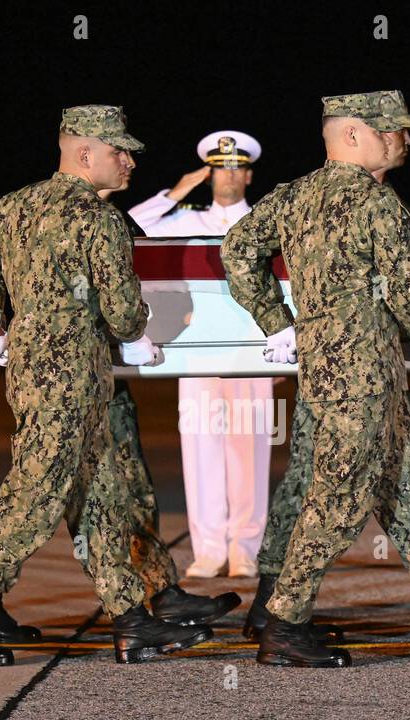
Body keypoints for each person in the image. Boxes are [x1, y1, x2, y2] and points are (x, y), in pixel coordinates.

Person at [222, 90, 410, 668]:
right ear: (355, 135)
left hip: (332, 368)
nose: (405, 139)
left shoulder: (294, 196)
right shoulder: (377, 203)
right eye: (394, 131)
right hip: (366, 371)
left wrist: (277, 322)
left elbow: (238, 251)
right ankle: (284, 620)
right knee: (340, 494)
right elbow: (407, 286)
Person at [0, 105, 216, 666]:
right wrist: (135, 336)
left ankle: (131, 620)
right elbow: (124, 305)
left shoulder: (11, 207)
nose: (129, 162)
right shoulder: (97, 218)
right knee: (36, 496)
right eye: (119, 152)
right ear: (86, 154)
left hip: (34, 372)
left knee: (102, 494)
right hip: (74, 376)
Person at [129, 132, 271, 578]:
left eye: (235, 167)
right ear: (208, 172)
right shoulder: (187, 218)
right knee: (201, 450)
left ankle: (246, 548)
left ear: (248, 174)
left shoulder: (266, 222)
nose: (227, 175)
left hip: (253, 351)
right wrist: (180, 188)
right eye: (218, 167)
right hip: (198, 351)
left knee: (249, 453)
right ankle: (209, 549)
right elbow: (135, 225)